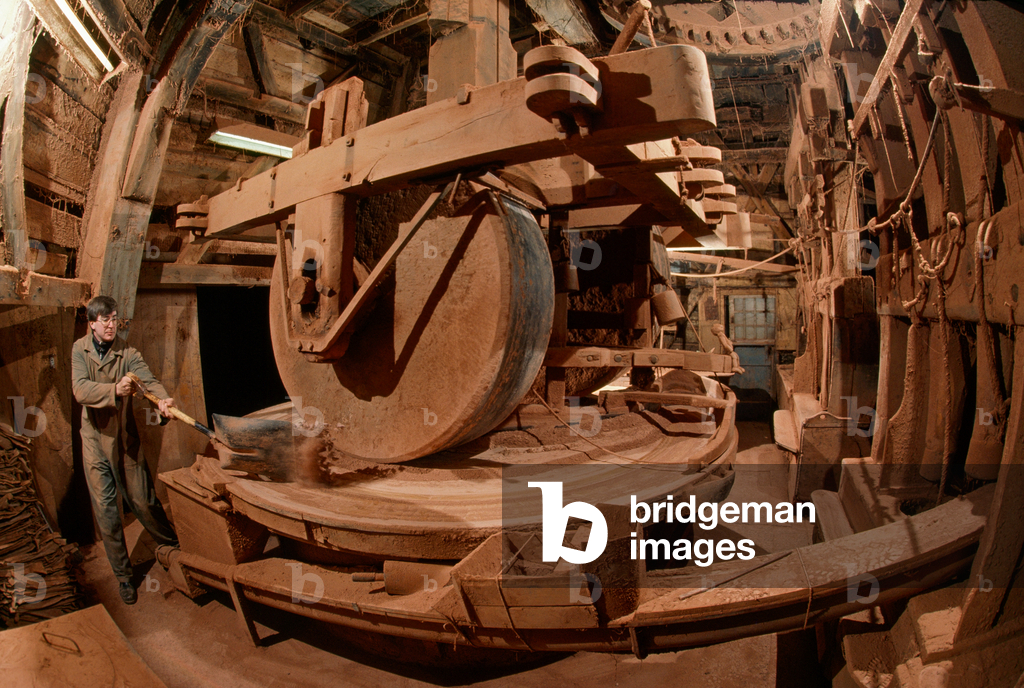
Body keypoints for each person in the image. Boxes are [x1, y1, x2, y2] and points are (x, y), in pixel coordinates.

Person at [71, 295, 179, 605]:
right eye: (103, 320)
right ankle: (123, 576)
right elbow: (80, 389)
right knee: (106, 510)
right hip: (94, 441)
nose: (110, 324)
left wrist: (161, 400)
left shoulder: (127, 353)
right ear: (92, 324)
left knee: (143, 500)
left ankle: (171, 547)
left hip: (124, 439)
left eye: (114, 318)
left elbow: (148, 380)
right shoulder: (80, 350)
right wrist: (112, 390)